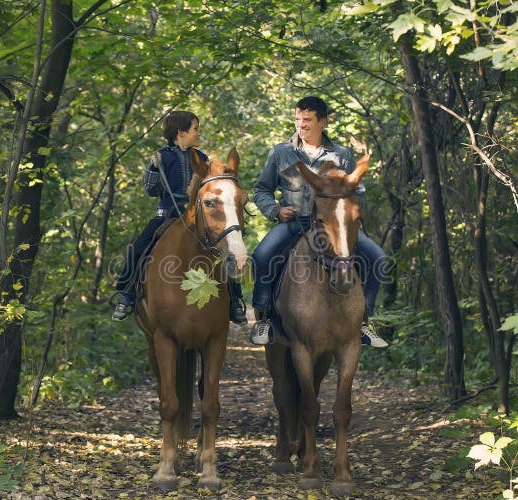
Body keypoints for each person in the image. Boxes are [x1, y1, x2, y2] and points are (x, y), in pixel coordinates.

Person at [249, 96, 388, 348]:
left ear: (322, 121)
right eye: (298, 119)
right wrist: (276, 211)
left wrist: (345, 212)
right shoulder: (281, 152)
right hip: (295, 222)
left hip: (334, 226)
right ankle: (264, 317)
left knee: (377, 256)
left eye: (308, 120)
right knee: (261, 255)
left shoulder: (341, 155)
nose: (301, 125)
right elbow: (261, 190)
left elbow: (358, 191)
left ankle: (364, 321)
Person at [112, 111, 247, 324]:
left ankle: (234, 299)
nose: (198, 133)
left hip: (196, 216)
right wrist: (153, 167)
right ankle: (126, 294)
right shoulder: (161, 157)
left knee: (222, 247)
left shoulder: (202, 158)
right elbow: (150, 190)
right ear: (181, 132)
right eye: (195, 129)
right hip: (167, 214)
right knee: (138, 247)